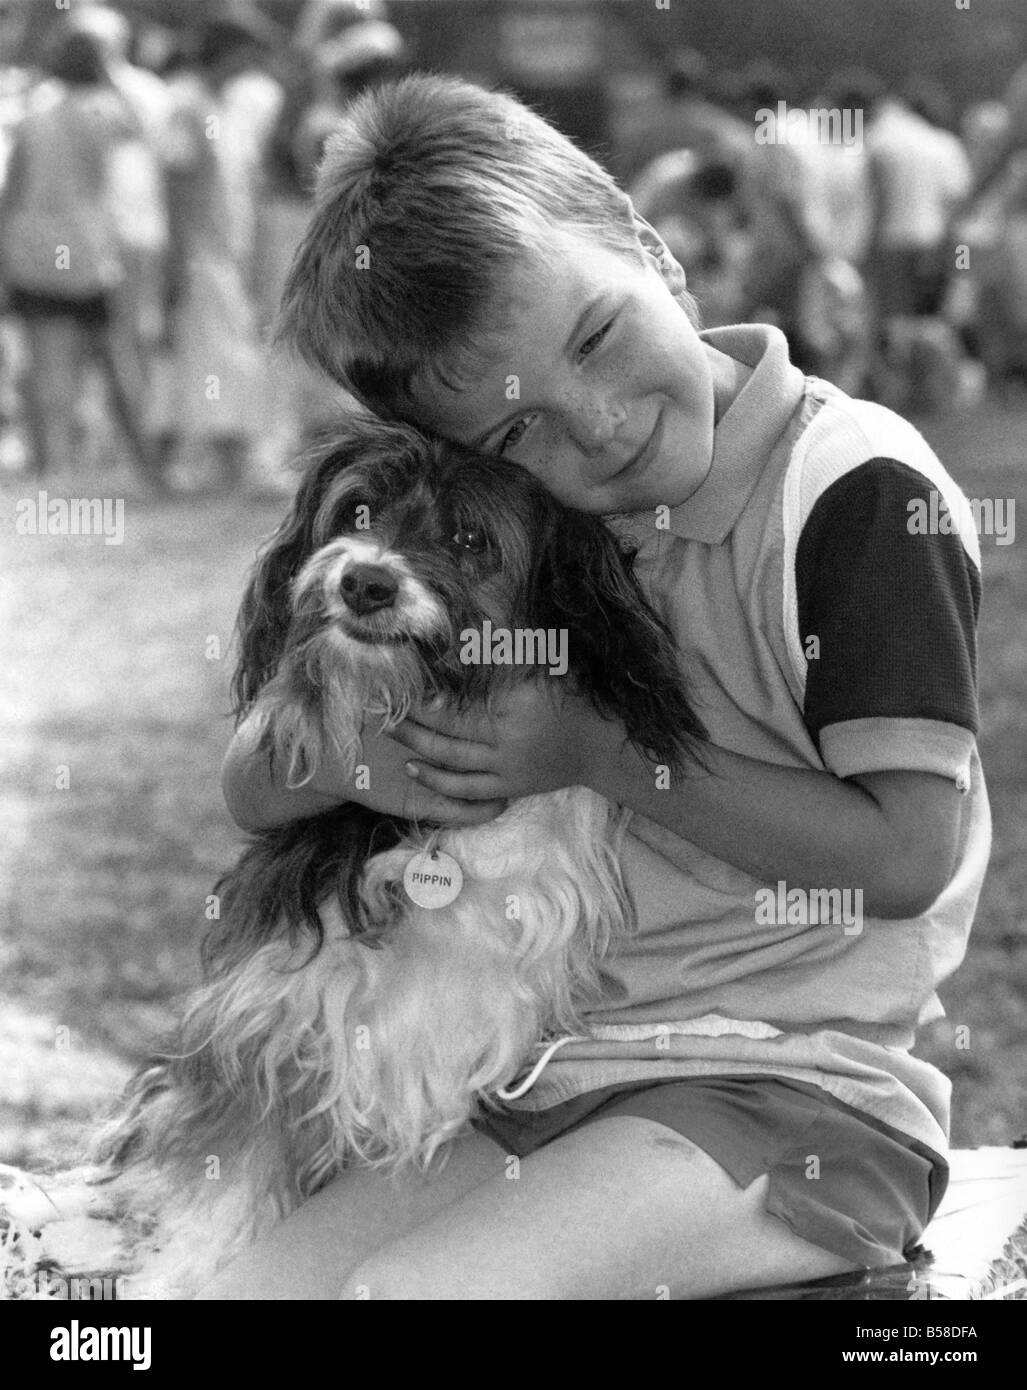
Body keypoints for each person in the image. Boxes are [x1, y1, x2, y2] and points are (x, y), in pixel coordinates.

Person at [215, 75, 988, 1300]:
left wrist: (603, 753)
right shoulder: (554, 530)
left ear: (652, 250)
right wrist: (369, 764)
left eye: (594, 336)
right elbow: (253, 787)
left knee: (409, 1298)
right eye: (519, 433)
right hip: (554, 1083)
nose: (597, 424)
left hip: (802, 1104)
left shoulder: (852, 493)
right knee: (239, 1298)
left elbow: (905, 859)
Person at [0, 27, 162, 489]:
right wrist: (113, 75)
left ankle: (55, 468)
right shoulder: (101, 112)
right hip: (88, 254)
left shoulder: (33, 113)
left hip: (32, 250)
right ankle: (145, 469)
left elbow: (10, 193)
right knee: (117, 362)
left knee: (49, 366)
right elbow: (141, 128)